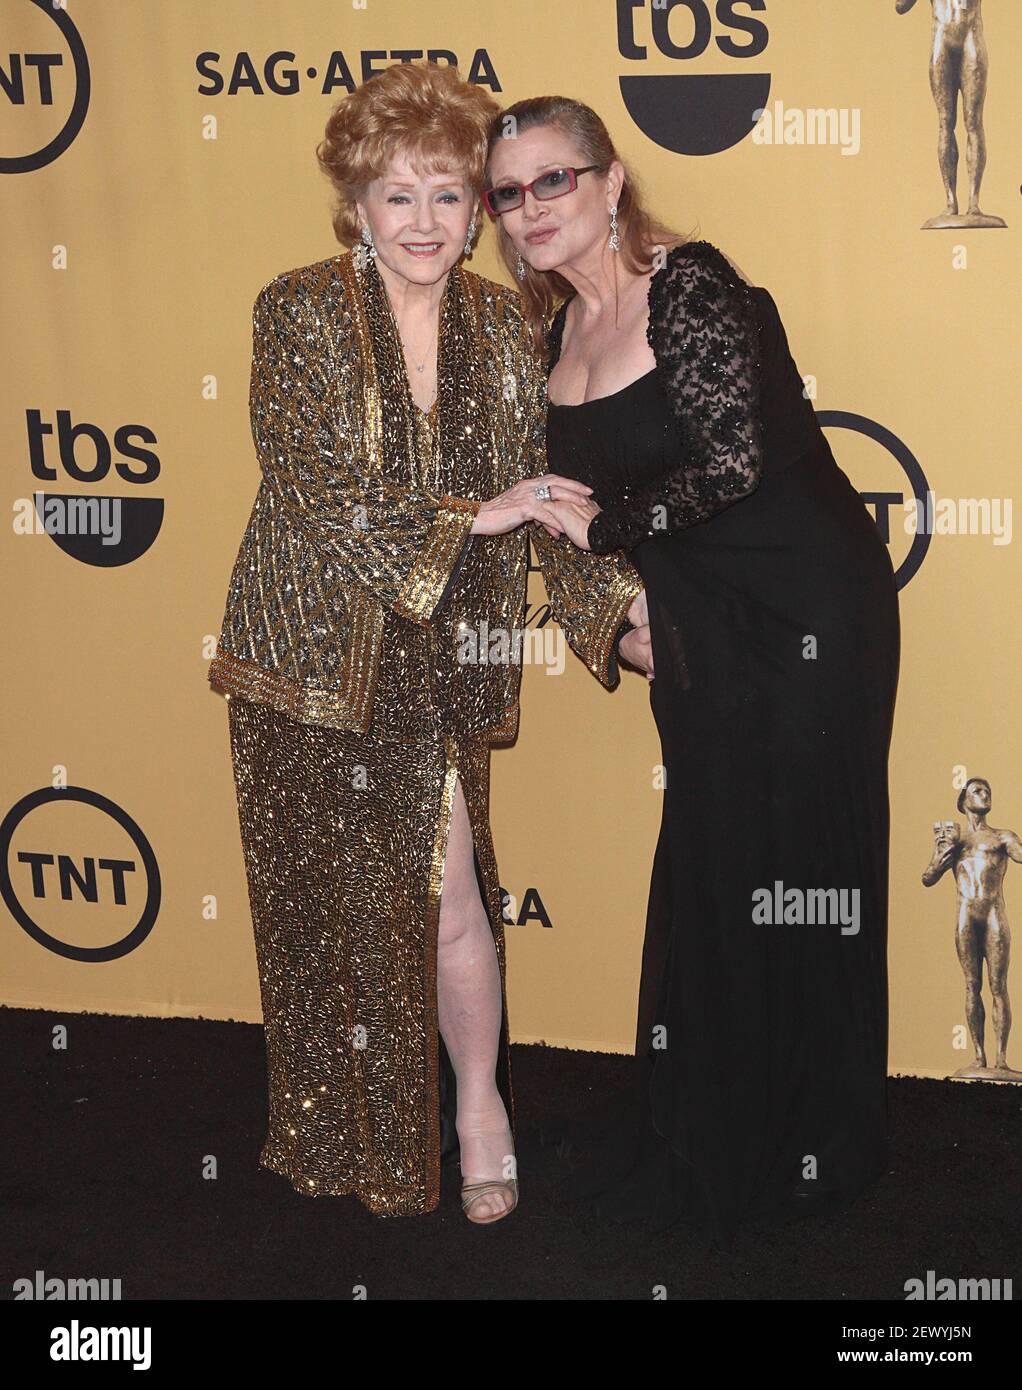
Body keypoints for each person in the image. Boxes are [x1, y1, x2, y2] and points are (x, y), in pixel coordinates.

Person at [207, 65, 644, 1225]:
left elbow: (541, 495)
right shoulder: (295, 308)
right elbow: (310, 476)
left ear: (475, 211)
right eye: (397, 196)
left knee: (450, 897)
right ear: (355, 205)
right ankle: (338, 1129)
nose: (423, 222)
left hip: (435, 662)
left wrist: (620, 616)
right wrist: (467, 518)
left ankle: (477, 1108)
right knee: (324, 915)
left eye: (448, 196)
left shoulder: (506, 325)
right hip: (307, 661)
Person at [484, 96, 901, 1239]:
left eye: (553, 179)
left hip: (804, 608)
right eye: (507, 193)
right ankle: (712, 1130)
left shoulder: (689, 283)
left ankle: (814, 1144)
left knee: (800, 862)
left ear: (610, 180)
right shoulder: (551, 338)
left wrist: (610, 531)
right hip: (692, 624)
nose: (530, 209)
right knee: (716, 862)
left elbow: (730, 461)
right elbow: (563, 519)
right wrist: (617, 614)